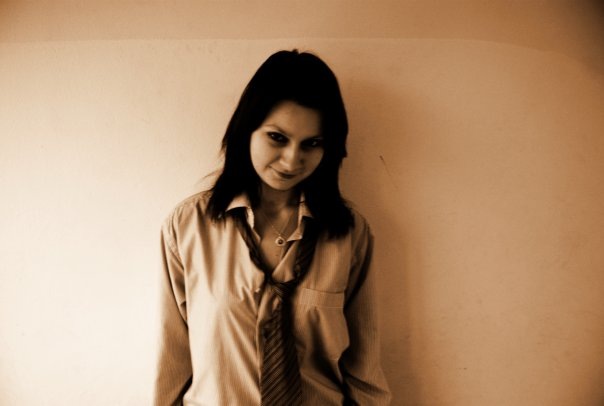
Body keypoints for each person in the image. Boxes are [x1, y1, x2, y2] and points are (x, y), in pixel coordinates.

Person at [154, 49, 391, 405]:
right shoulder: (188, 227)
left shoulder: (349, 234)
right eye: (277, 138)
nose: (292, 160)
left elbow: (364, 370)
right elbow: (171, 359)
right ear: (246, 130)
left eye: (312, 143)